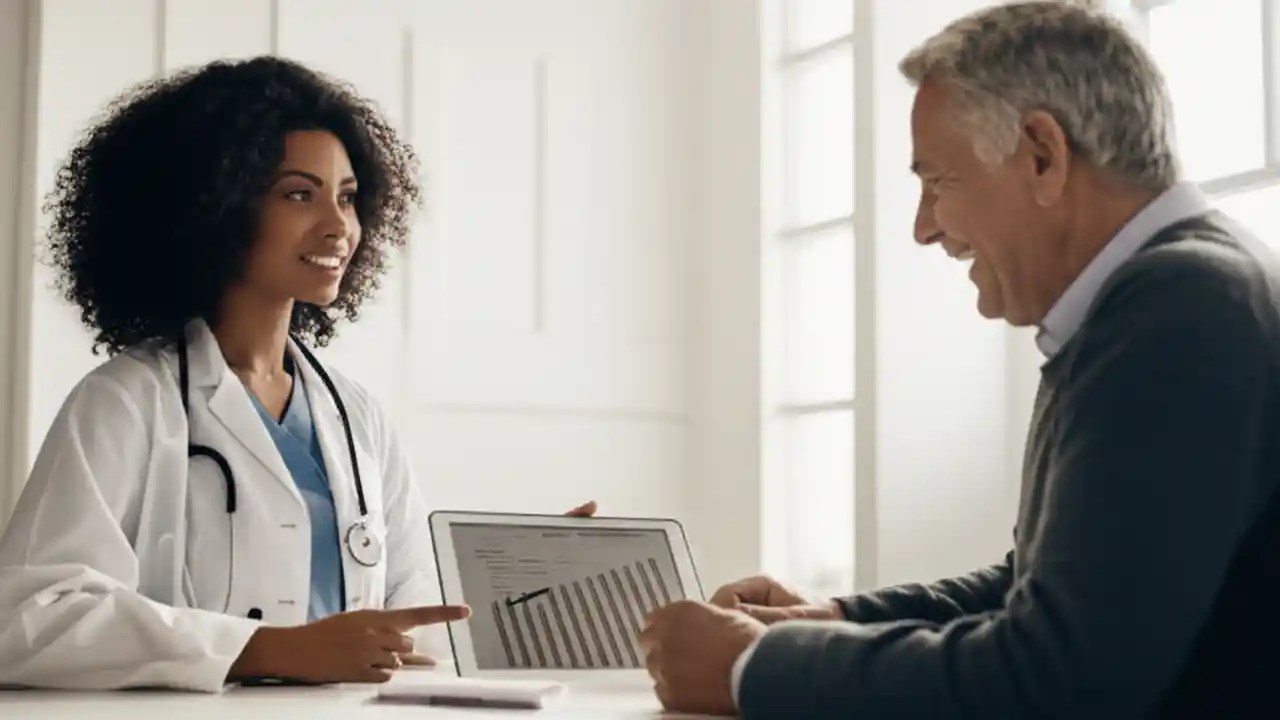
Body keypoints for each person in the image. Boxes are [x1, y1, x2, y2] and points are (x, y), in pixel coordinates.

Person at [640, 3, 1280, 717]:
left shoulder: (1176, 309)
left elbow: (1058, 676)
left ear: (1043, 155)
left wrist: (749, 668)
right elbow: (1040, 590)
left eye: (939, 182)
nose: (923, 227)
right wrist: (833, 621)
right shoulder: (1180, 293)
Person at [0, 56, 595, 692]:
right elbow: (28, 621)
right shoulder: (127, 401)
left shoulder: (353, 412)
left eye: (347, 197)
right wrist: (266, 649)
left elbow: (415, 612)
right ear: (214, 208)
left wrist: (521, 583)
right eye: (298, 194)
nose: (340, 226)